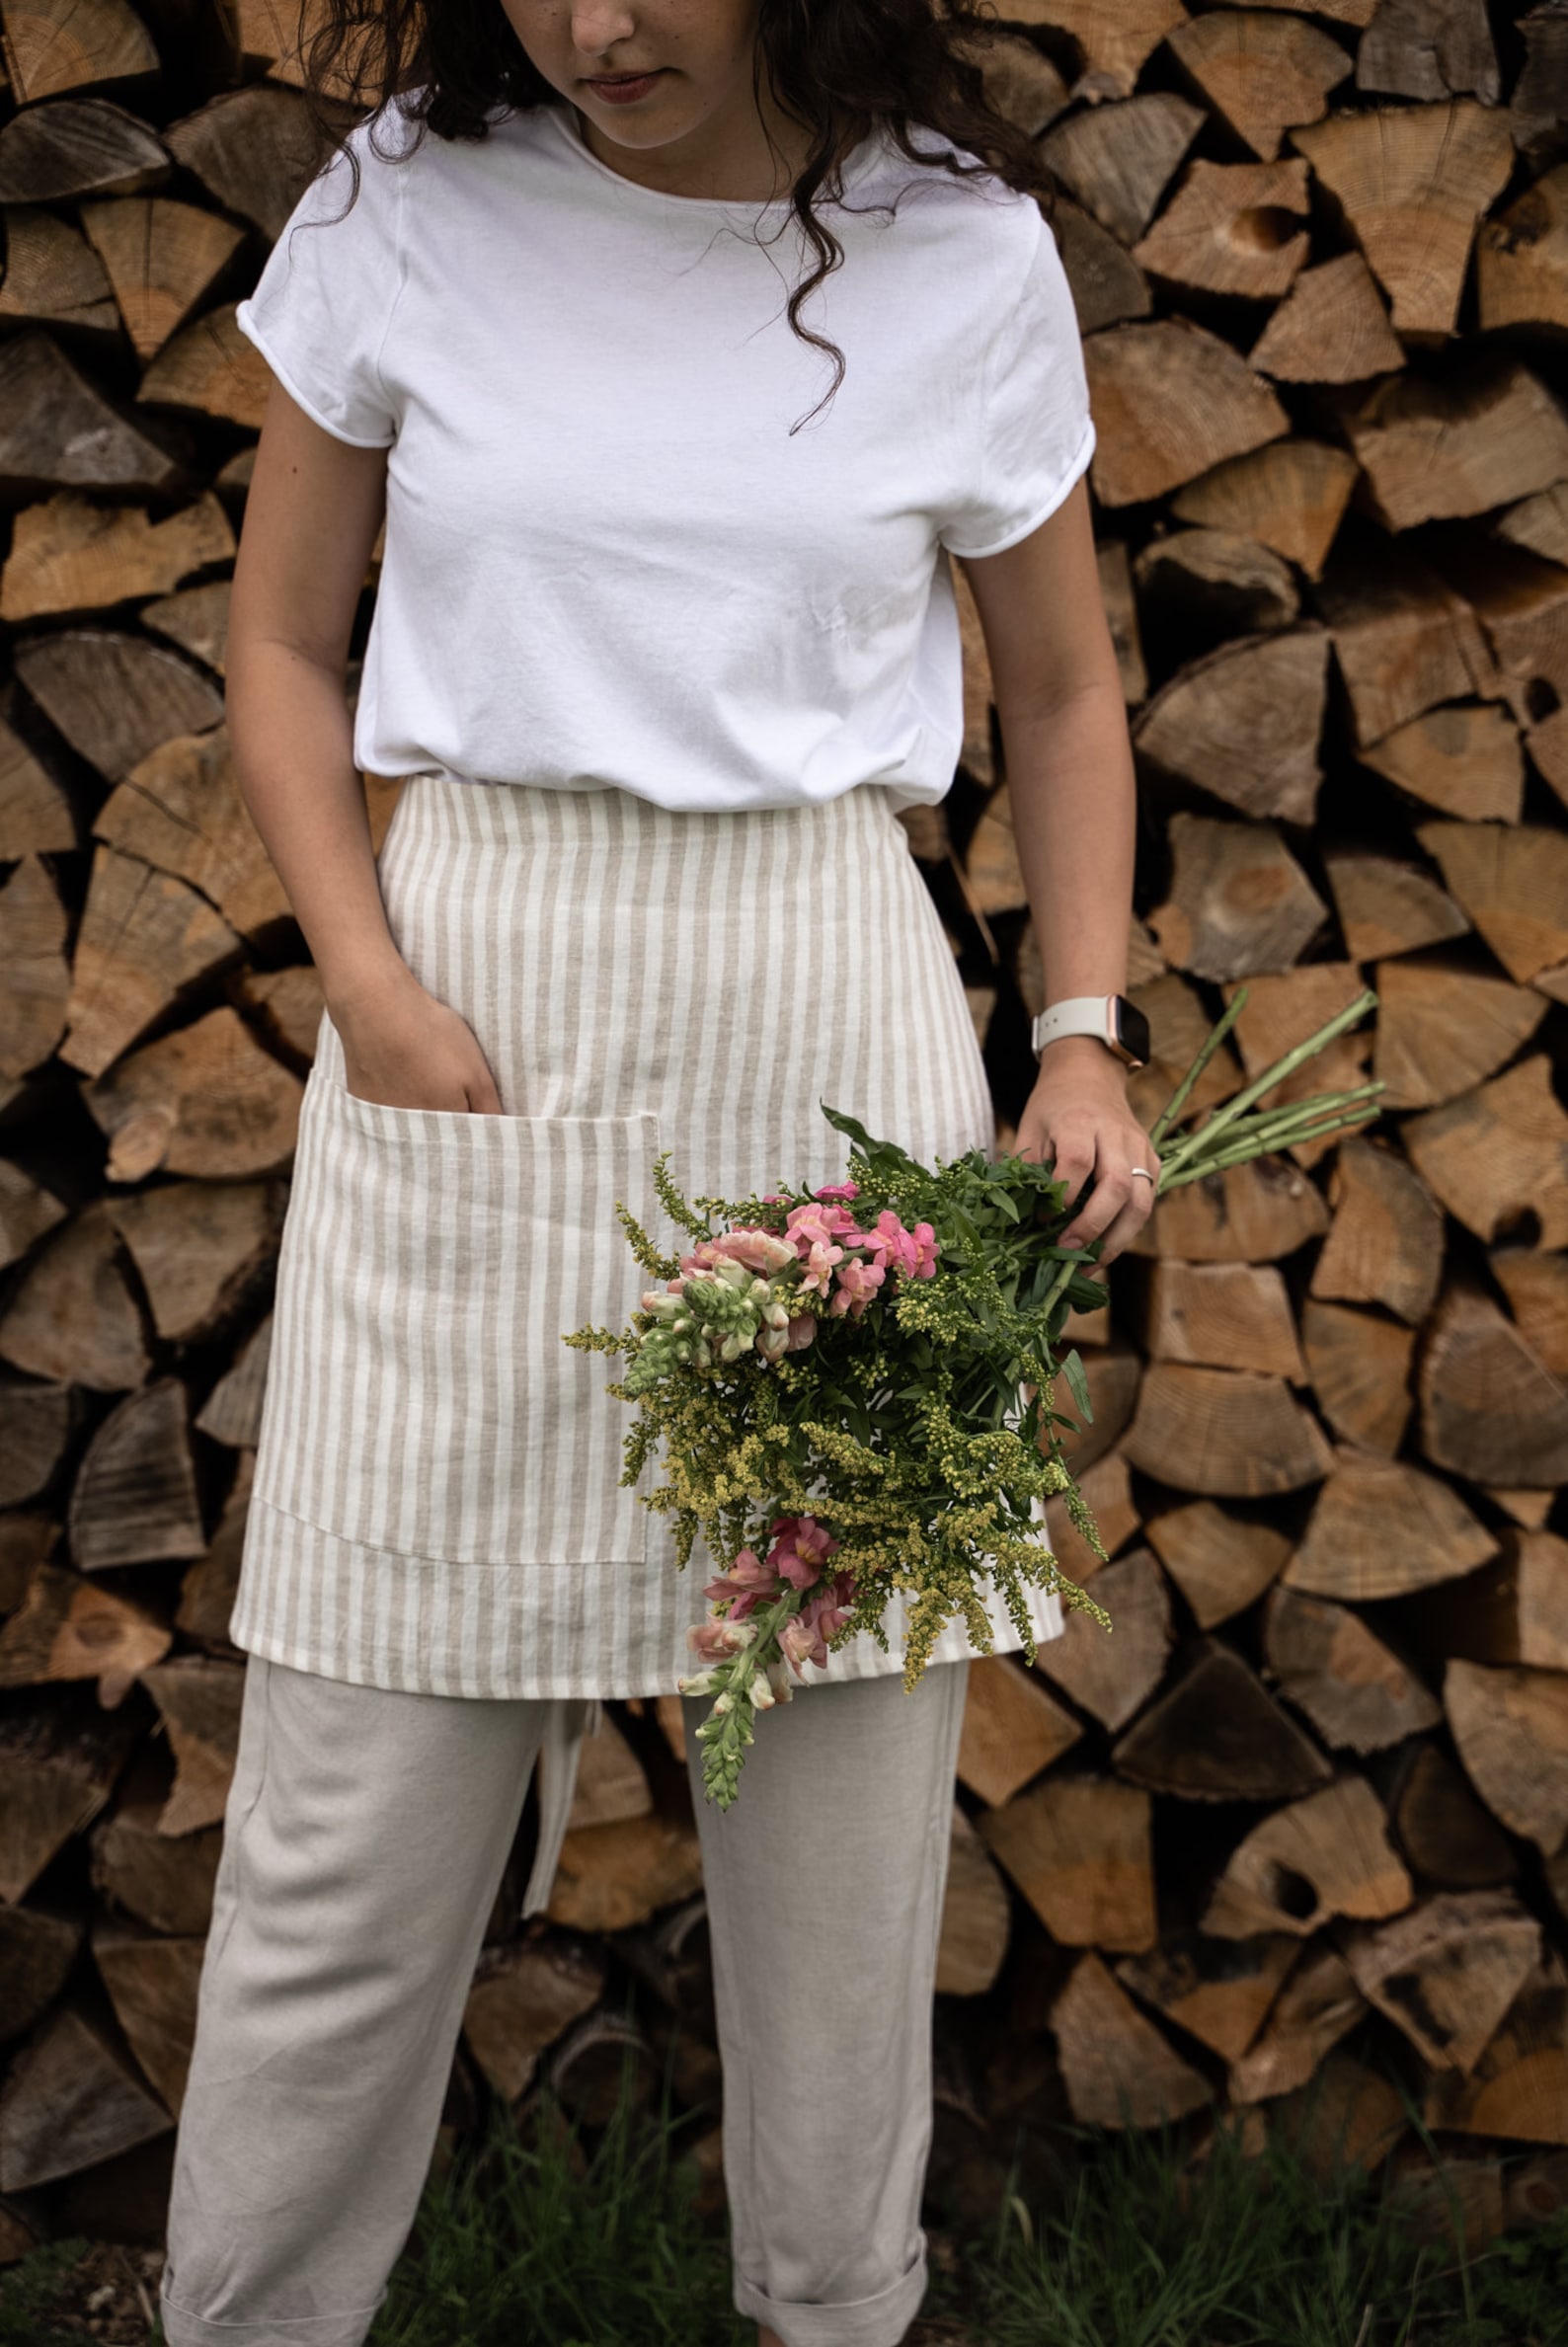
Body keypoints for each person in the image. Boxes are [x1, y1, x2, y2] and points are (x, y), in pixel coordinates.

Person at [156, 6, 1159, 2344]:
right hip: (471, 1024)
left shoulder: (955, 249)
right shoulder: (411, 200)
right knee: (349, 1807)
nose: (596, 24)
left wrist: (1082, 1036)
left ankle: (832, 2311)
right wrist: (372, 988)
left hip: (825, 1024)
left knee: (834, 1823)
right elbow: (285, 640)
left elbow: (1066, 691)